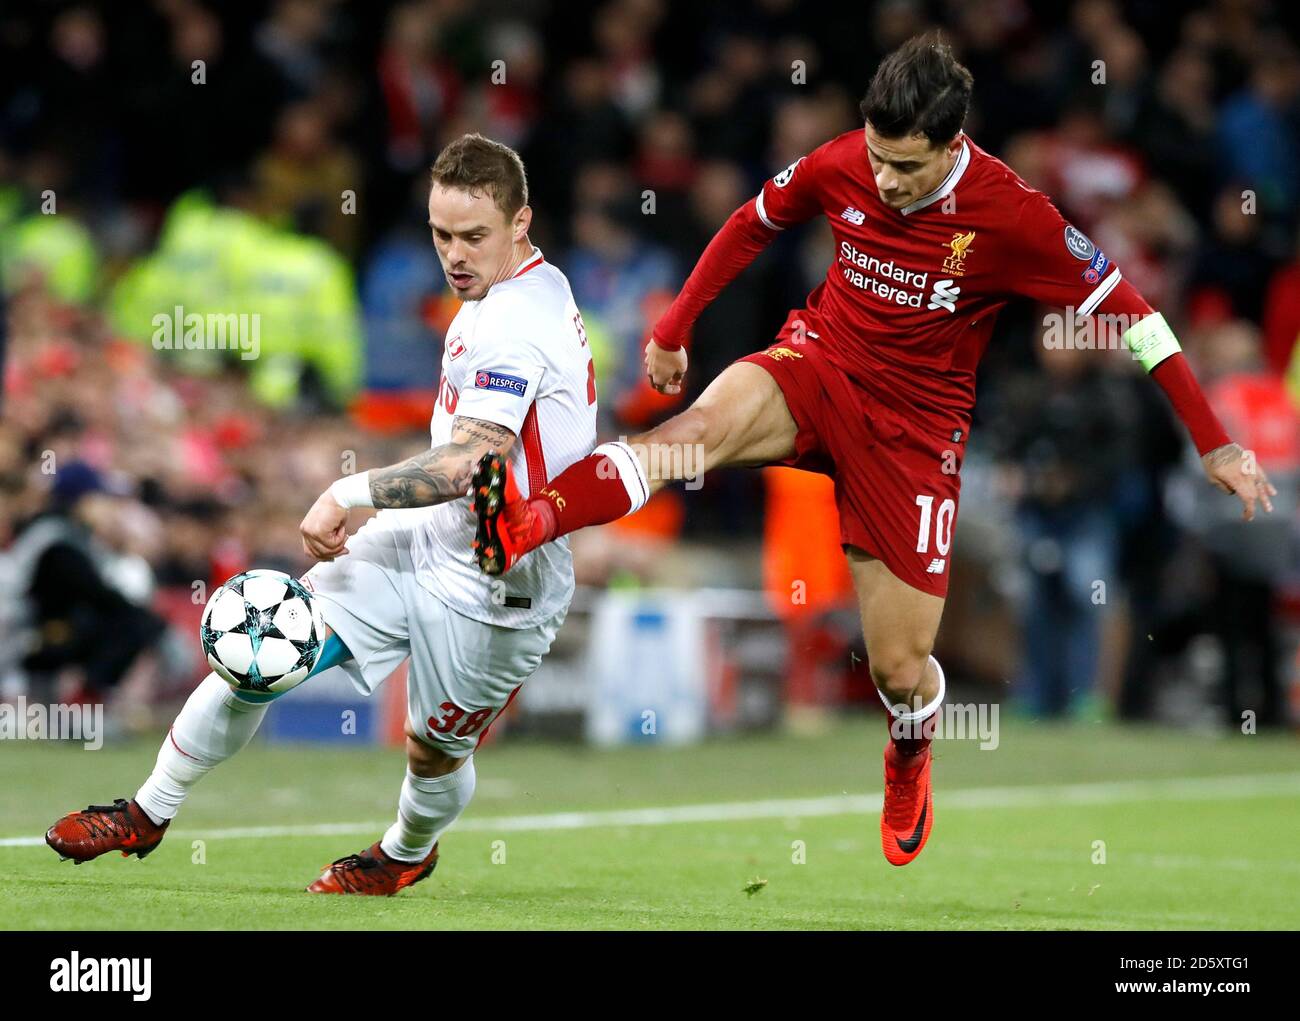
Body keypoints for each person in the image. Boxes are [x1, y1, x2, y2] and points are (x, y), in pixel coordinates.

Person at [471, 34, 1276, 867]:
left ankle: (910, 747)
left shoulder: (1015, 214)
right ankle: (528, 522)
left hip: (915, 436)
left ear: (954, 145)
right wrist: (675, 327)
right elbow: (753, 224)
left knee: (899, 667)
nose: (885, 180)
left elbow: (1139, 319)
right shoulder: (844, 160)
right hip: (817, 364)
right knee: (687, 440)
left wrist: (1214, 443)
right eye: (879, 157)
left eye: (907, 166)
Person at [45, 133, 599, 895]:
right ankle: (147, 810)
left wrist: (348, 491)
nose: (455, 254)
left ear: (522, 222)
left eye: (475, 236)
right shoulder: (519, 288)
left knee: (434, 752)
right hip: (424, 539)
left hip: (502, 579)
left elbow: (473, 460)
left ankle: (406, 851)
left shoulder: (513, 322)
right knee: (268, 644)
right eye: (442, 234)